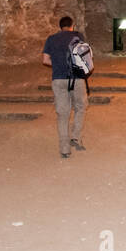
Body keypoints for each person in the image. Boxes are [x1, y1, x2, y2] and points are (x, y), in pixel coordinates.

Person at [41, 15, 87, 158]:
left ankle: (65, 149)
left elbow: (45, 60)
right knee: (80, 107)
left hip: (58, 79)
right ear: (72, 26)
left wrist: (59, 65)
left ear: (60, 27)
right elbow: (84, 56)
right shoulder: (78, 37)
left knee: (62, 114)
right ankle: (75, 137)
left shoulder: (51, 39)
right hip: (76, 78)